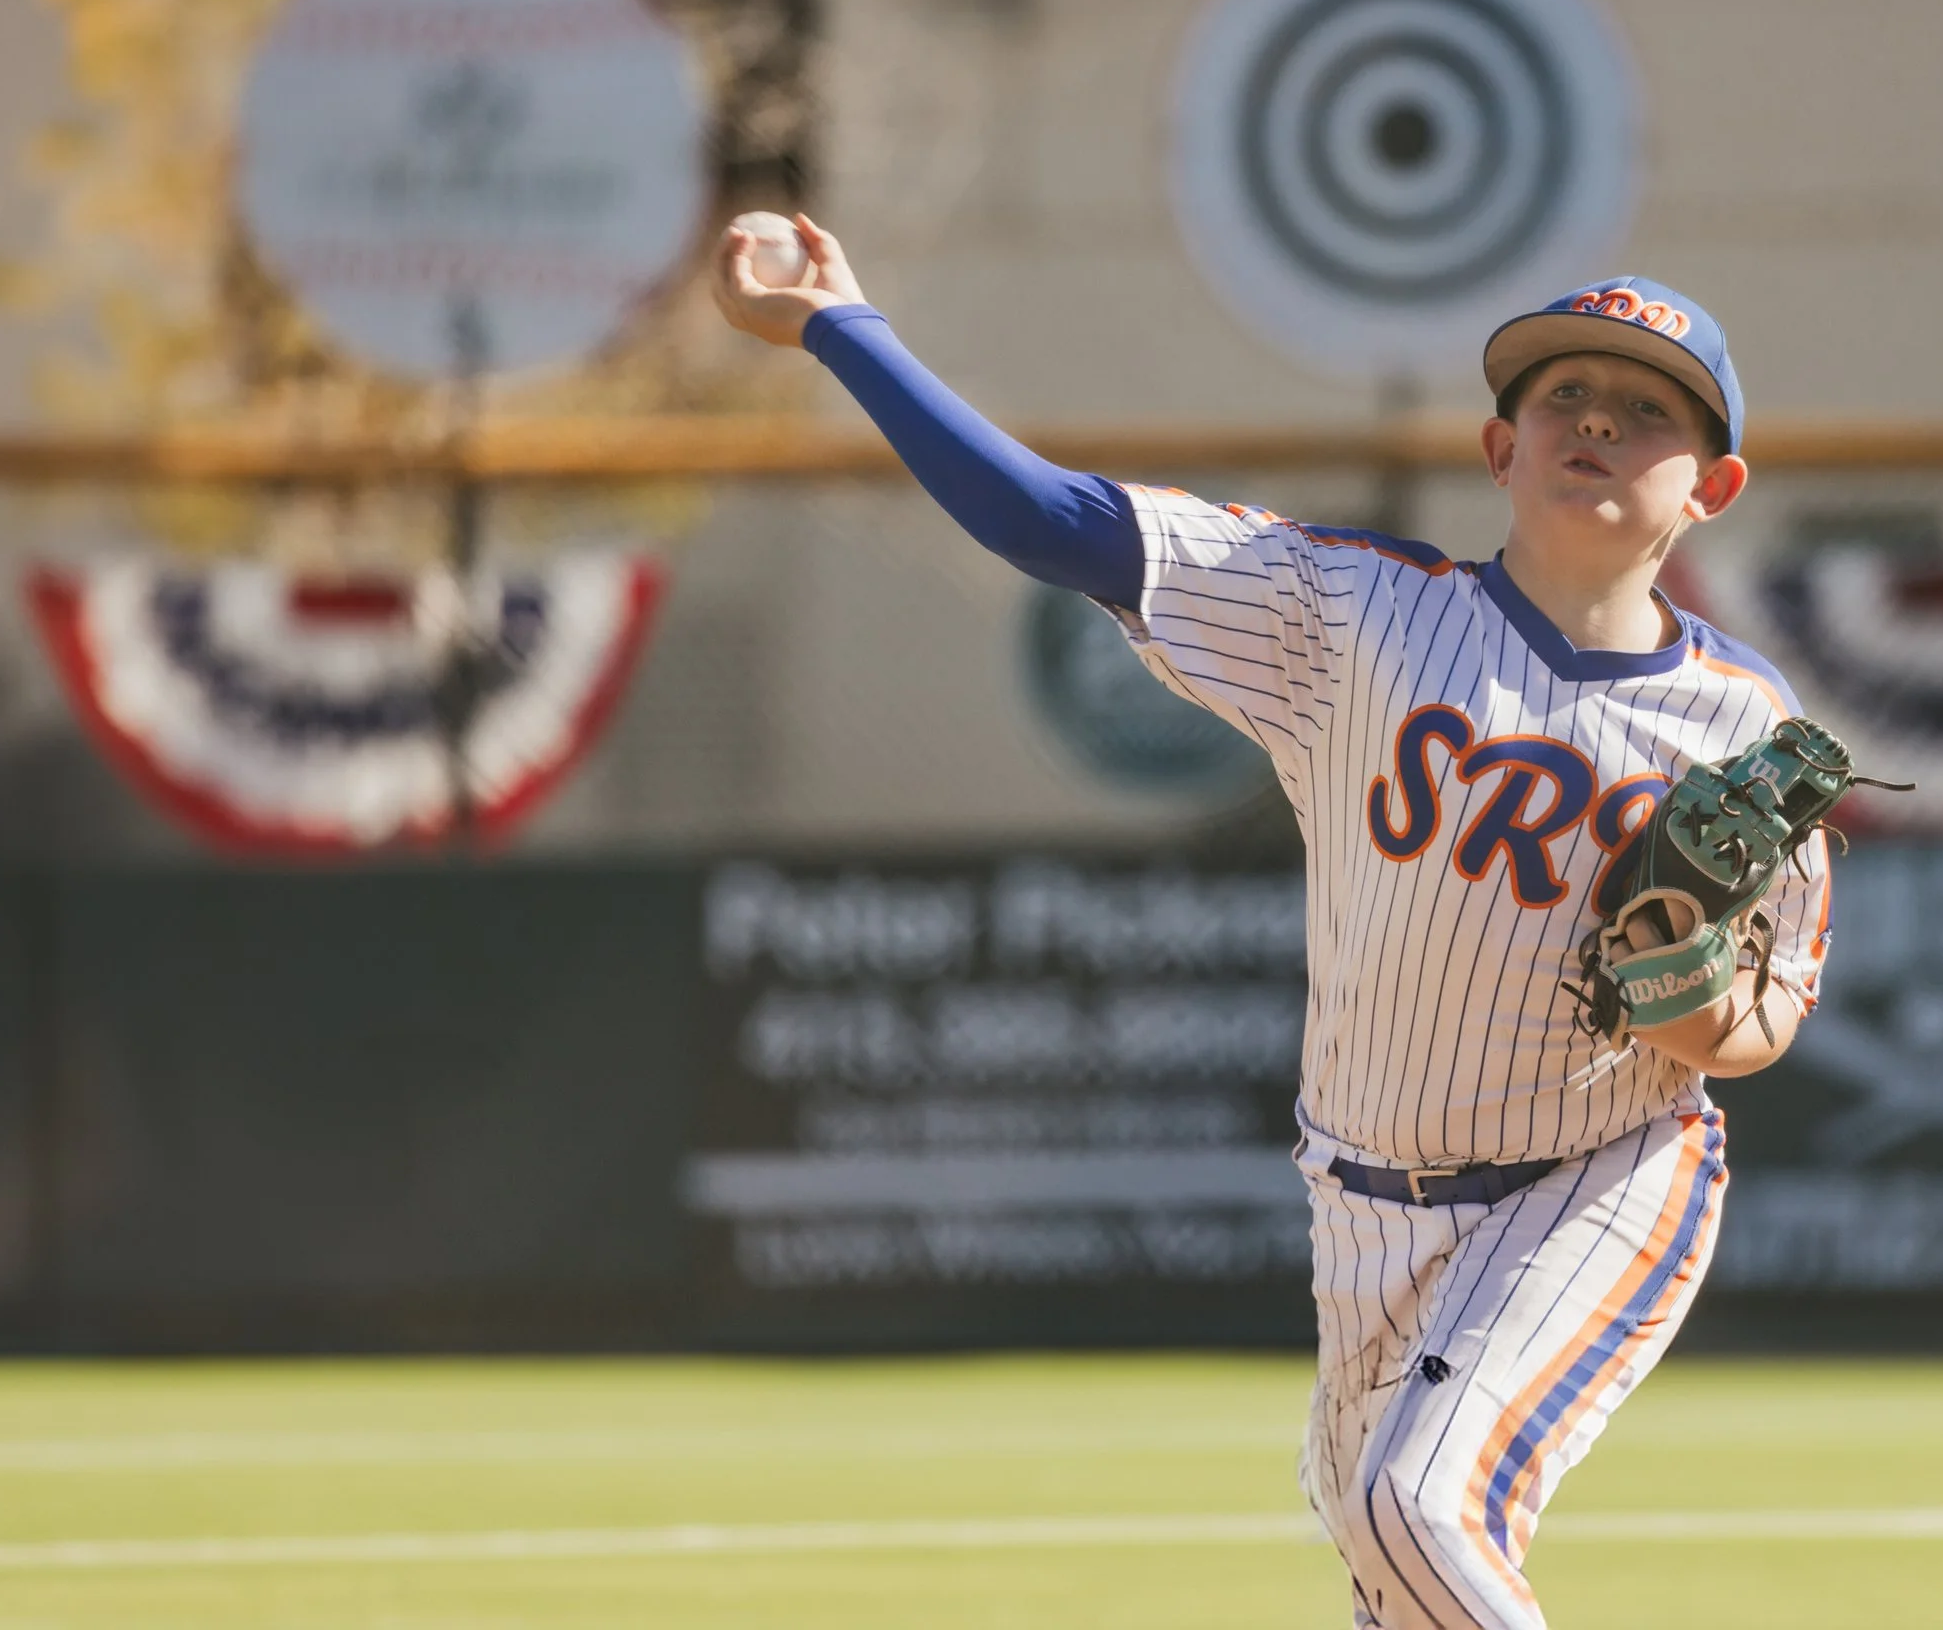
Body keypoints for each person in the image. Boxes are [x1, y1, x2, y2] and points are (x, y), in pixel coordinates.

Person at [714, 215, 1827, 1630]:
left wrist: (1706, 1013)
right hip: (1362, 1198)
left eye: (1648, 409)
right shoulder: (1349, 614)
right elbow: (1051, 521)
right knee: (1394, 1584)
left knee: (1412, 1509)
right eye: (1563, 395)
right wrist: (839, 326)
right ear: (1502, 449)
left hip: (1599, 1175)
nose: (1598, 418)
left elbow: (1771, 1011)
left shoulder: (1747, 728)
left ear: (1712, 486)